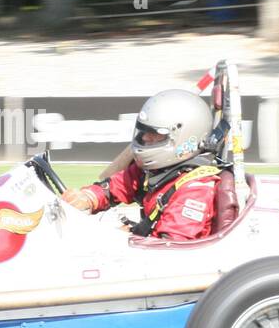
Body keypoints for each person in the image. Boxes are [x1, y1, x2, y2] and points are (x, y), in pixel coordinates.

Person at [61, 88, 224, 242]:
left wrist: (121, 238)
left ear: (186, 139)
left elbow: (170, 249)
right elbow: (116, 186)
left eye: (155, 135)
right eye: (144, 132)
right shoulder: (156, 171)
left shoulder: (195, 190)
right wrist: (87, 198)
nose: (145, 139)